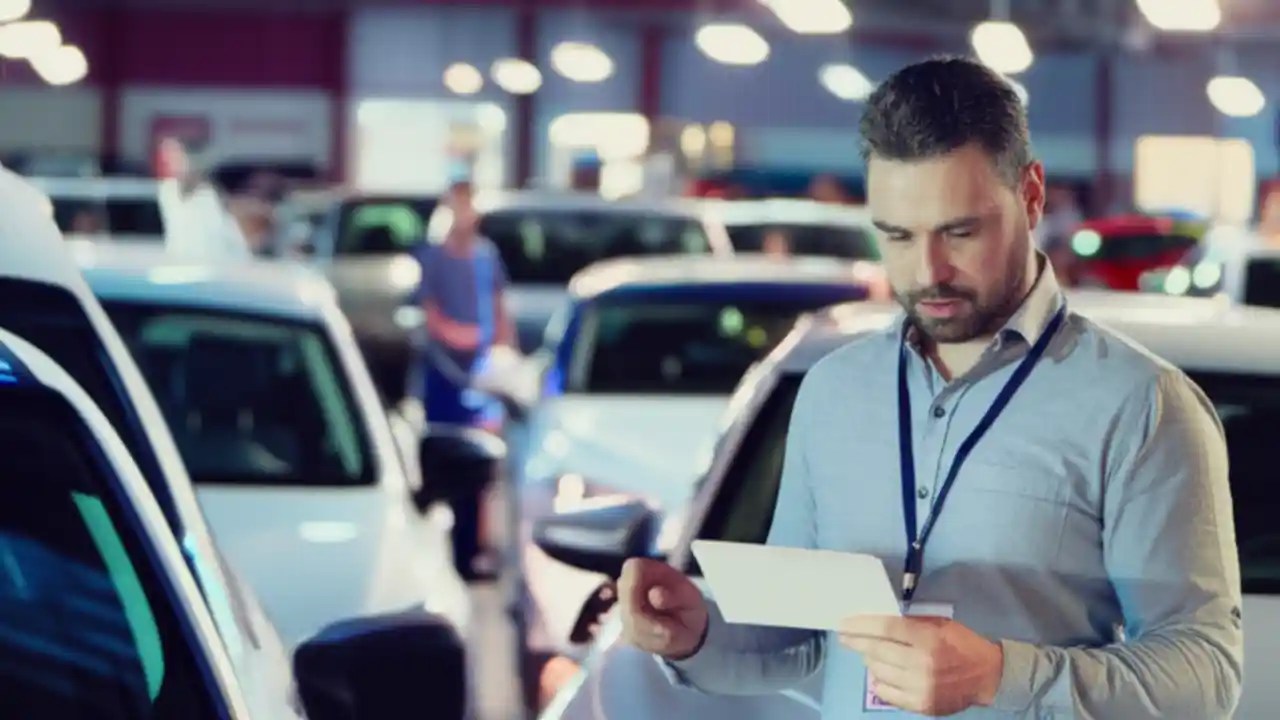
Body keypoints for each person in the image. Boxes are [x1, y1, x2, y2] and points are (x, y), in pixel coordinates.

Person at [618, 56, 1242, 718]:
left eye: (959, 232)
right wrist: (697, 634)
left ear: (1031, 196)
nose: (928, 271)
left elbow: (1205, 675)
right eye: (898, 236)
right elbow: (800, 640)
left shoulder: (1140, 405)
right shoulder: (834, 391)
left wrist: (1001, 675)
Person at [412, 178, 515, 579]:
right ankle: (450, 545)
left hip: (482, 378)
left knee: (483, 465)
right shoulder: (434, 258)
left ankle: (477, 546)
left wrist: (502, 349)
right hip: (445, 377)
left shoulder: (486, 256)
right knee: (448, 462)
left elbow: (498, 305)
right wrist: (464, 336)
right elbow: (431, 313)